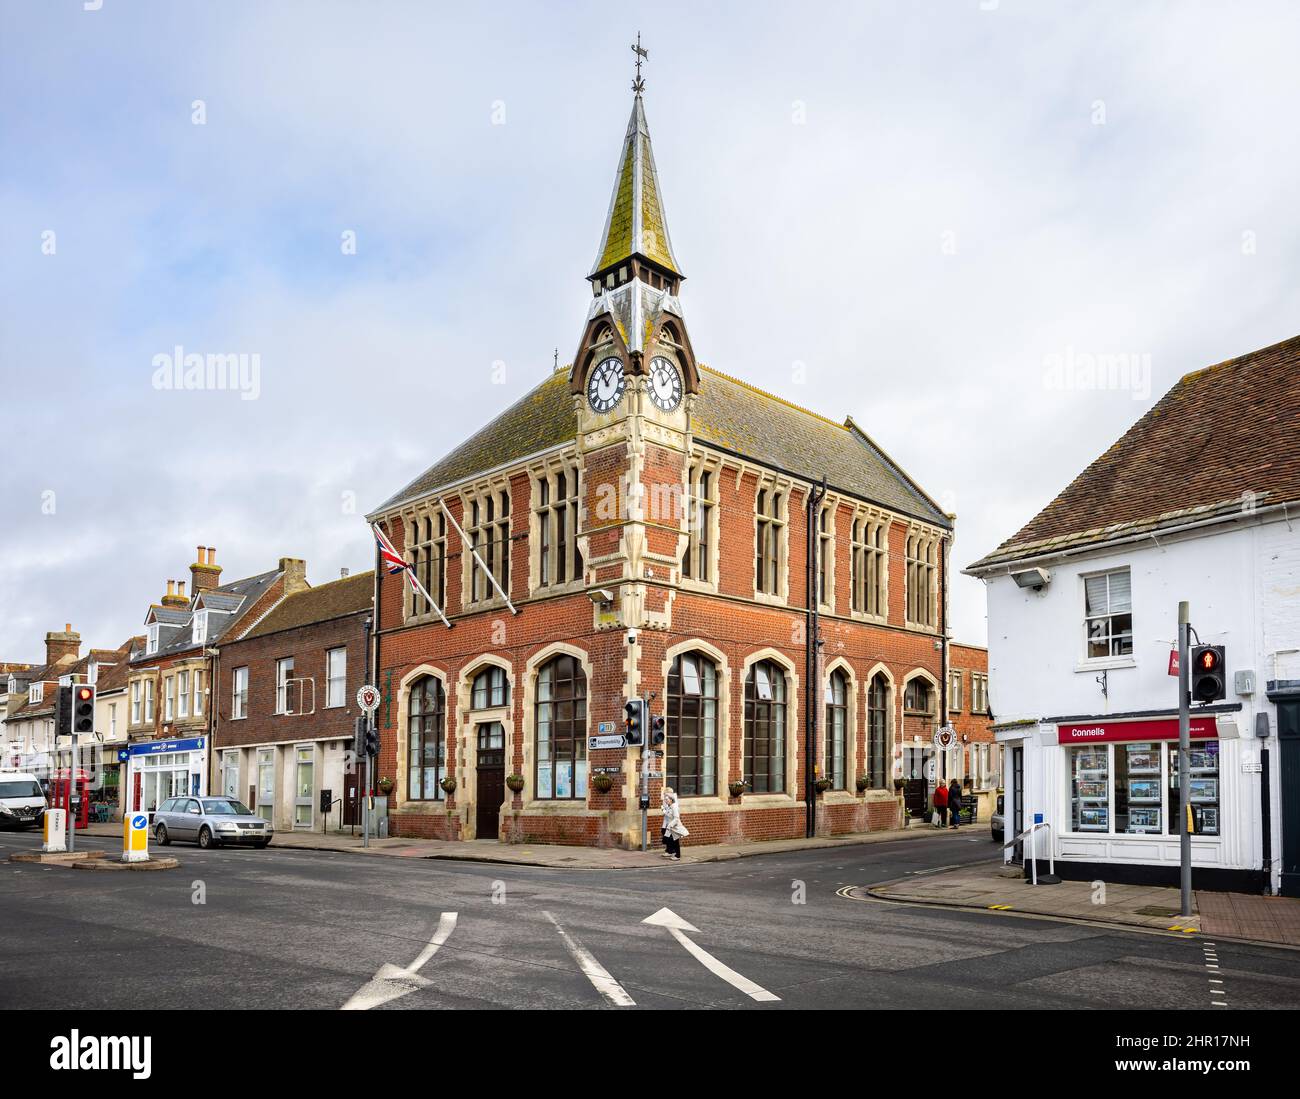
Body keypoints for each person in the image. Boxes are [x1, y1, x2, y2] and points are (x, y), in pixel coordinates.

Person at [661, 787, 689, 860]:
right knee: (670, 839)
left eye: (667, 799)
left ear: (671, 799)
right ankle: (672, 852)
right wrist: (664, 810)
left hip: (674, 827)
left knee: (675, 841)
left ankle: (677, 855)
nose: (665, 801)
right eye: (665, 799)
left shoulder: (674, 806)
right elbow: (669, 815)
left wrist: (670, 825)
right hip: (670, 826)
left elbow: (676, 818)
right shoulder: (670, 806)